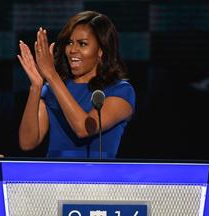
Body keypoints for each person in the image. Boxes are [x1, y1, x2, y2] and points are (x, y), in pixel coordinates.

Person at [17, 11, 135, 159]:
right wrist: (36, 86)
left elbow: (84, 129)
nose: (72, 50)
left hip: (98, 178)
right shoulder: (52, 90)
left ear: (101, 50)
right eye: (70, 43)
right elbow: (27, 143)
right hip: (54, 177)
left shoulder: (121, 91)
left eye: (82, 44)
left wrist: (52, 76)